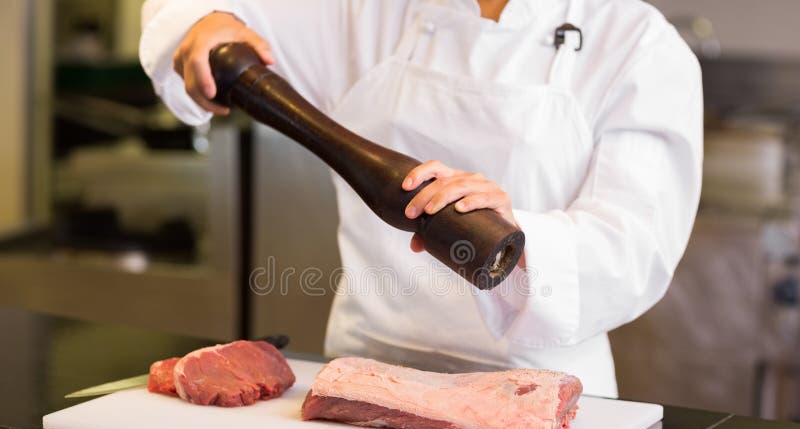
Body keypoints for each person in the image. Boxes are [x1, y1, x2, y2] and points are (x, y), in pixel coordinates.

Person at [140, 0, 703, 397]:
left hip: (537, 393)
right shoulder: (365, 11)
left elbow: (635, 246)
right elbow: (187, 14)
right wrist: (206, 21)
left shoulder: (637, 44)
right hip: (364, 379)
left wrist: (519, 234)